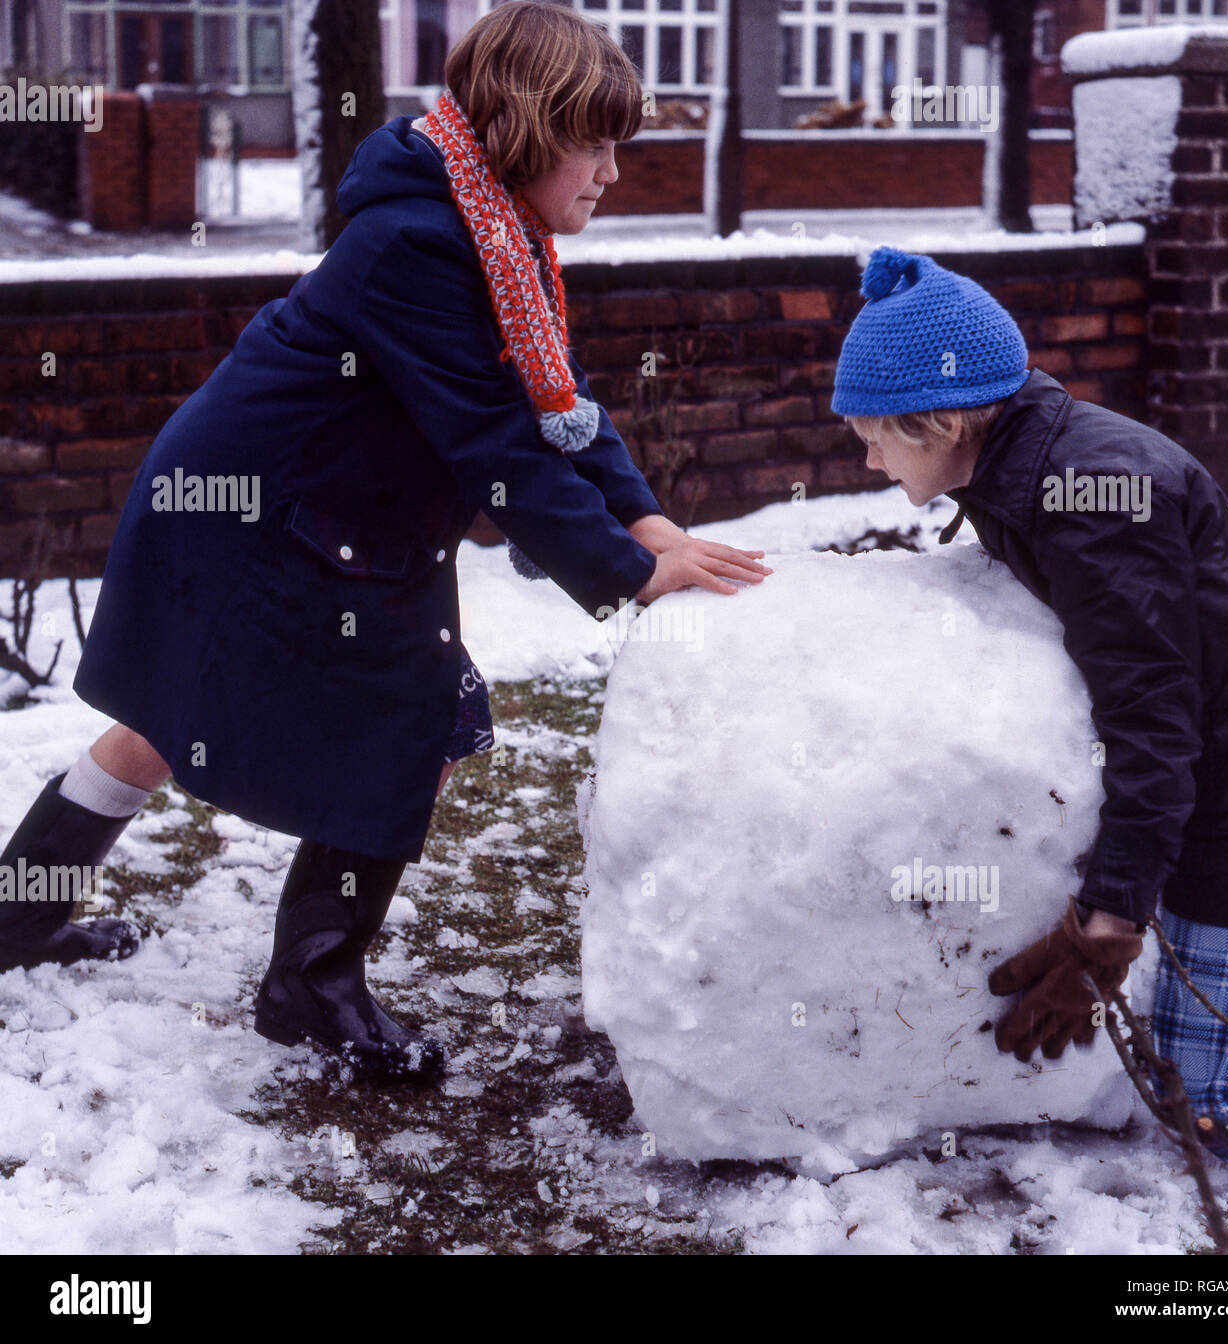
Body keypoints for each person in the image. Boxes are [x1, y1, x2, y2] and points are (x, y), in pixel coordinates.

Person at [0, 1, 769, 1085]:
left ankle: (16, 921)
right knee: (400, 726)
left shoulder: (487, 230)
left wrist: (638, 514)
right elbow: (496, 439)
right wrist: (630, 572)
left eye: (615, 146)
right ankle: (310, 987)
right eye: (592, 144)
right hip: (260, 521)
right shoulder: (419, 241)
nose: (609, 171)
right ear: (527, 130)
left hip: (302, 511)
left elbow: (555, 395)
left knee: (171, 717)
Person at [831, 244, 1228, 1150]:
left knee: (1212, 1100)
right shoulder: (1026, 463)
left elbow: (1156, 721)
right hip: (1223, 770)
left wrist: (1110, 923)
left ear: (939, 420)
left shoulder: (1086, 497)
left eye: (875, 433)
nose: (868, 459)